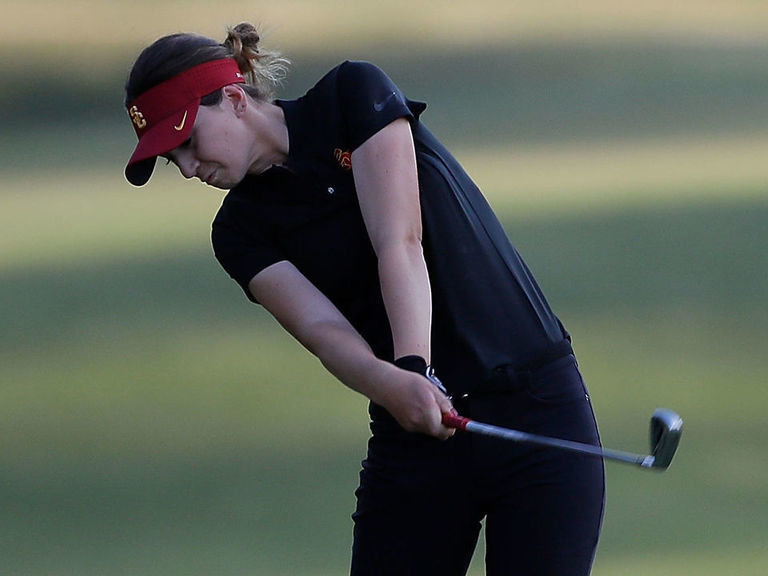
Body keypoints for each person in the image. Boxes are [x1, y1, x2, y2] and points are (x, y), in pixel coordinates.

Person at [123, 22, 605, 576]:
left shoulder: (352, 96)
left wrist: (413, 367)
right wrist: (396, 387)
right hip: (413, 435)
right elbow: (325, 332)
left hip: (535, 407)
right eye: (169, 158)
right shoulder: (239, 232)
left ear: (233, 99)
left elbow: (397, 238)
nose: (185, 168)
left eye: (187, 141)